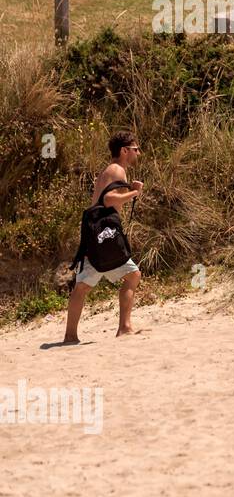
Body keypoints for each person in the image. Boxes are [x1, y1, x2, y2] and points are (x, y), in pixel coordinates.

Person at [63, 130, 145, 343]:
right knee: (133, 276)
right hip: (103, 232)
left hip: (96, 232)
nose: (139, 153)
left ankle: (70, 336)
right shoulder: (117, 169)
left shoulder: (113, 169)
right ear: (124, 150)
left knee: (83, 286)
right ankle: (124, 328)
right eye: (136, 149)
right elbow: (109, 199)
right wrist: (135, 192)